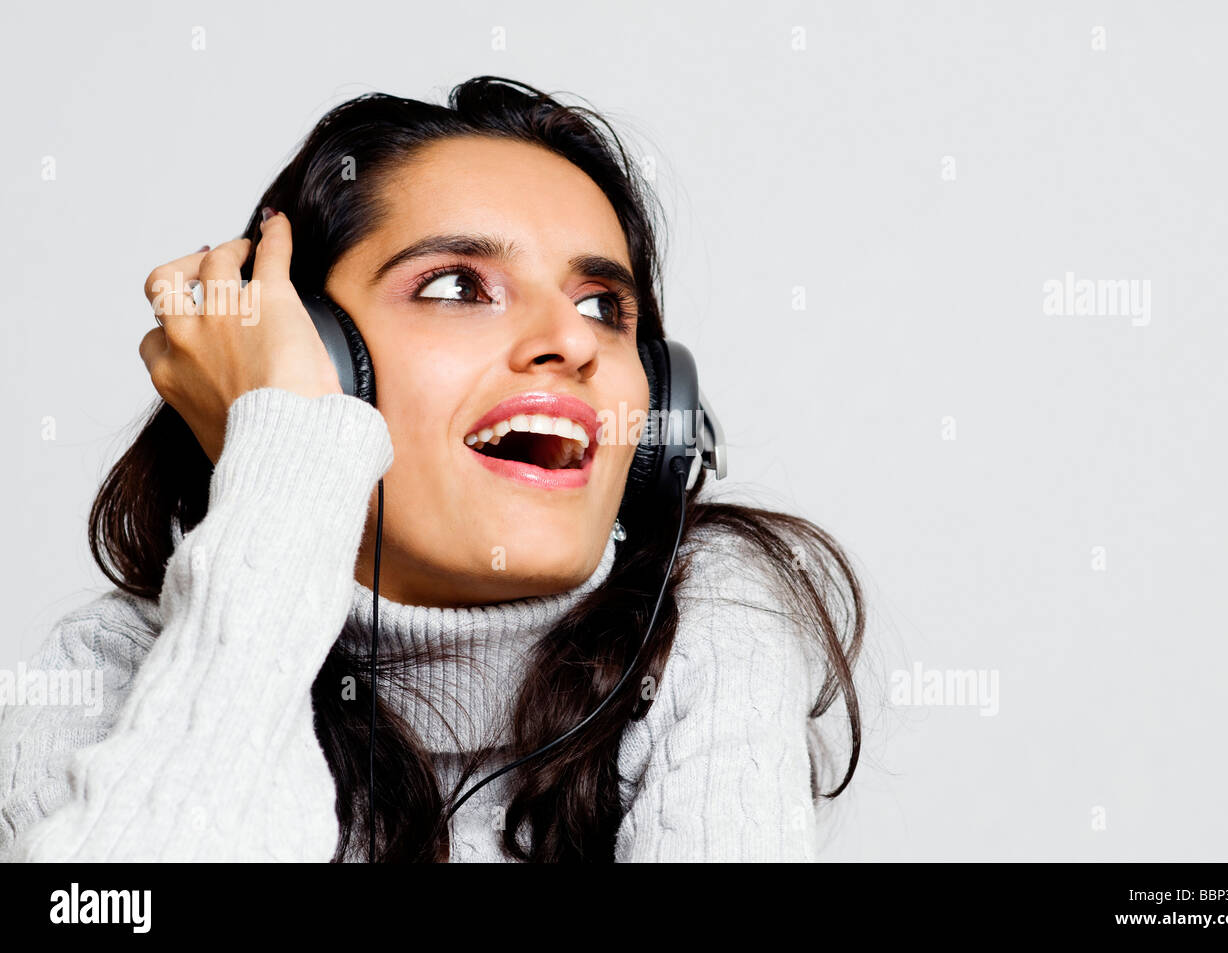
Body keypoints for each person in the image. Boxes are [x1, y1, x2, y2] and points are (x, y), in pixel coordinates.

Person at [0, 77, 867, 862]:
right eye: (457, 286)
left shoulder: (710, 620)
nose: (570, 340)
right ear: (314, 361)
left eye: (604, 306)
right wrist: (287, 462)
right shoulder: (108, 672)